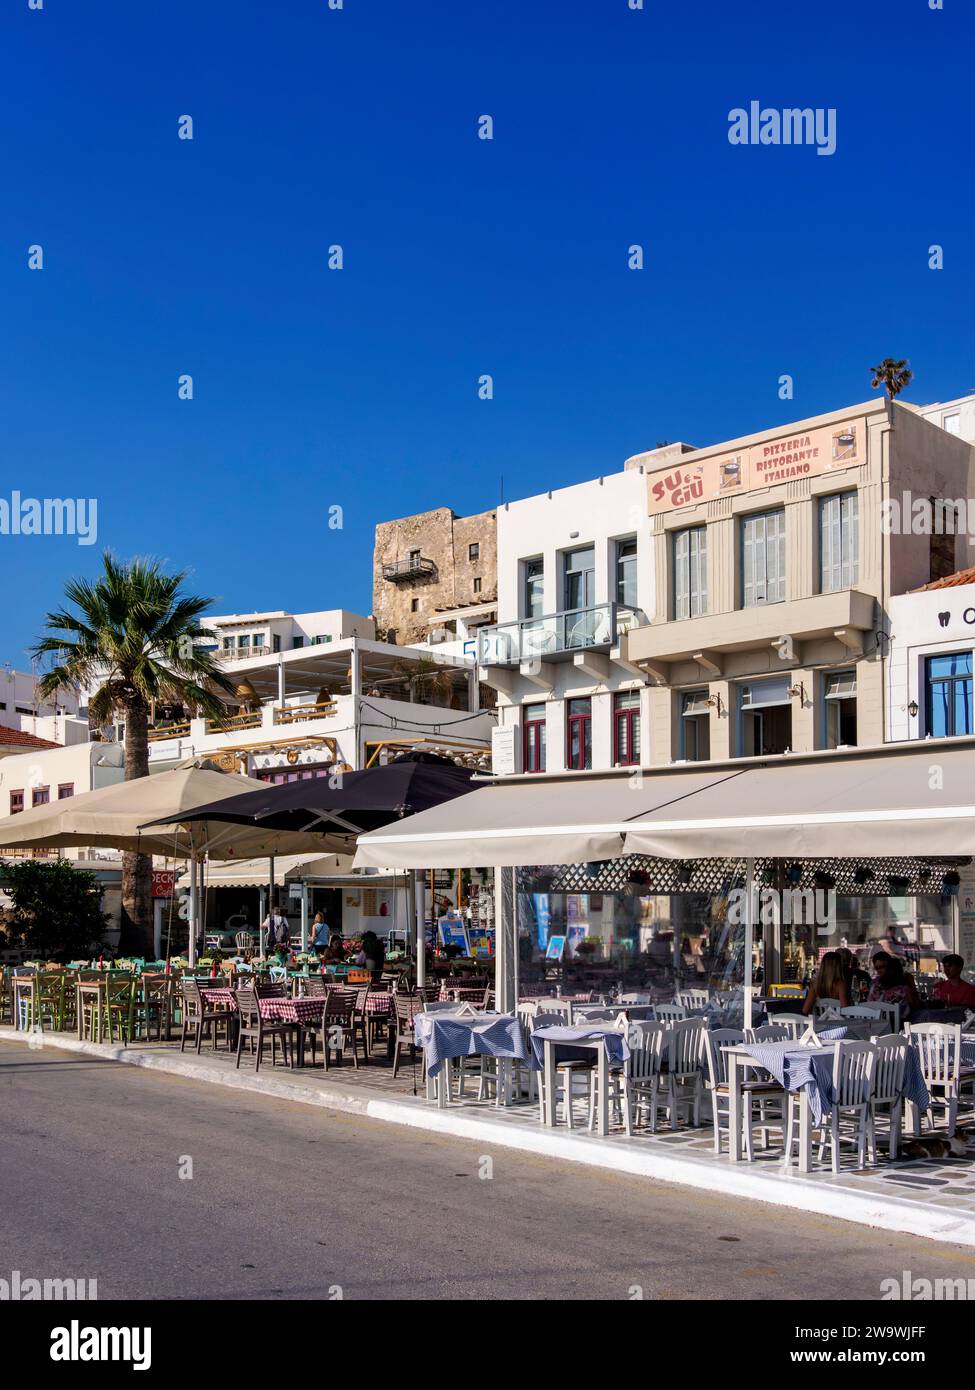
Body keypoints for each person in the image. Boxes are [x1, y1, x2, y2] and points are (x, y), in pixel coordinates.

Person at [867, 951, 921, 1020]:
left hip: (877, 1025)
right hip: (899, 1025)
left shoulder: (875, 985)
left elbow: (868, 1006)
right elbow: (916, 1006)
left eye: (882, 967)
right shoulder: (904, 989)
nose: (879, 970)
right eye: (876, 968)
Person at [802, 951, 850, 1016]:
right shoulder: (841, 985)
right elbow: (846, 1010)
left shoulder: (815, 984)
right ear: (838, 966)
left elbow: (805, 1010)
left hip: (819, 1024)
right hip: (838, 1024)